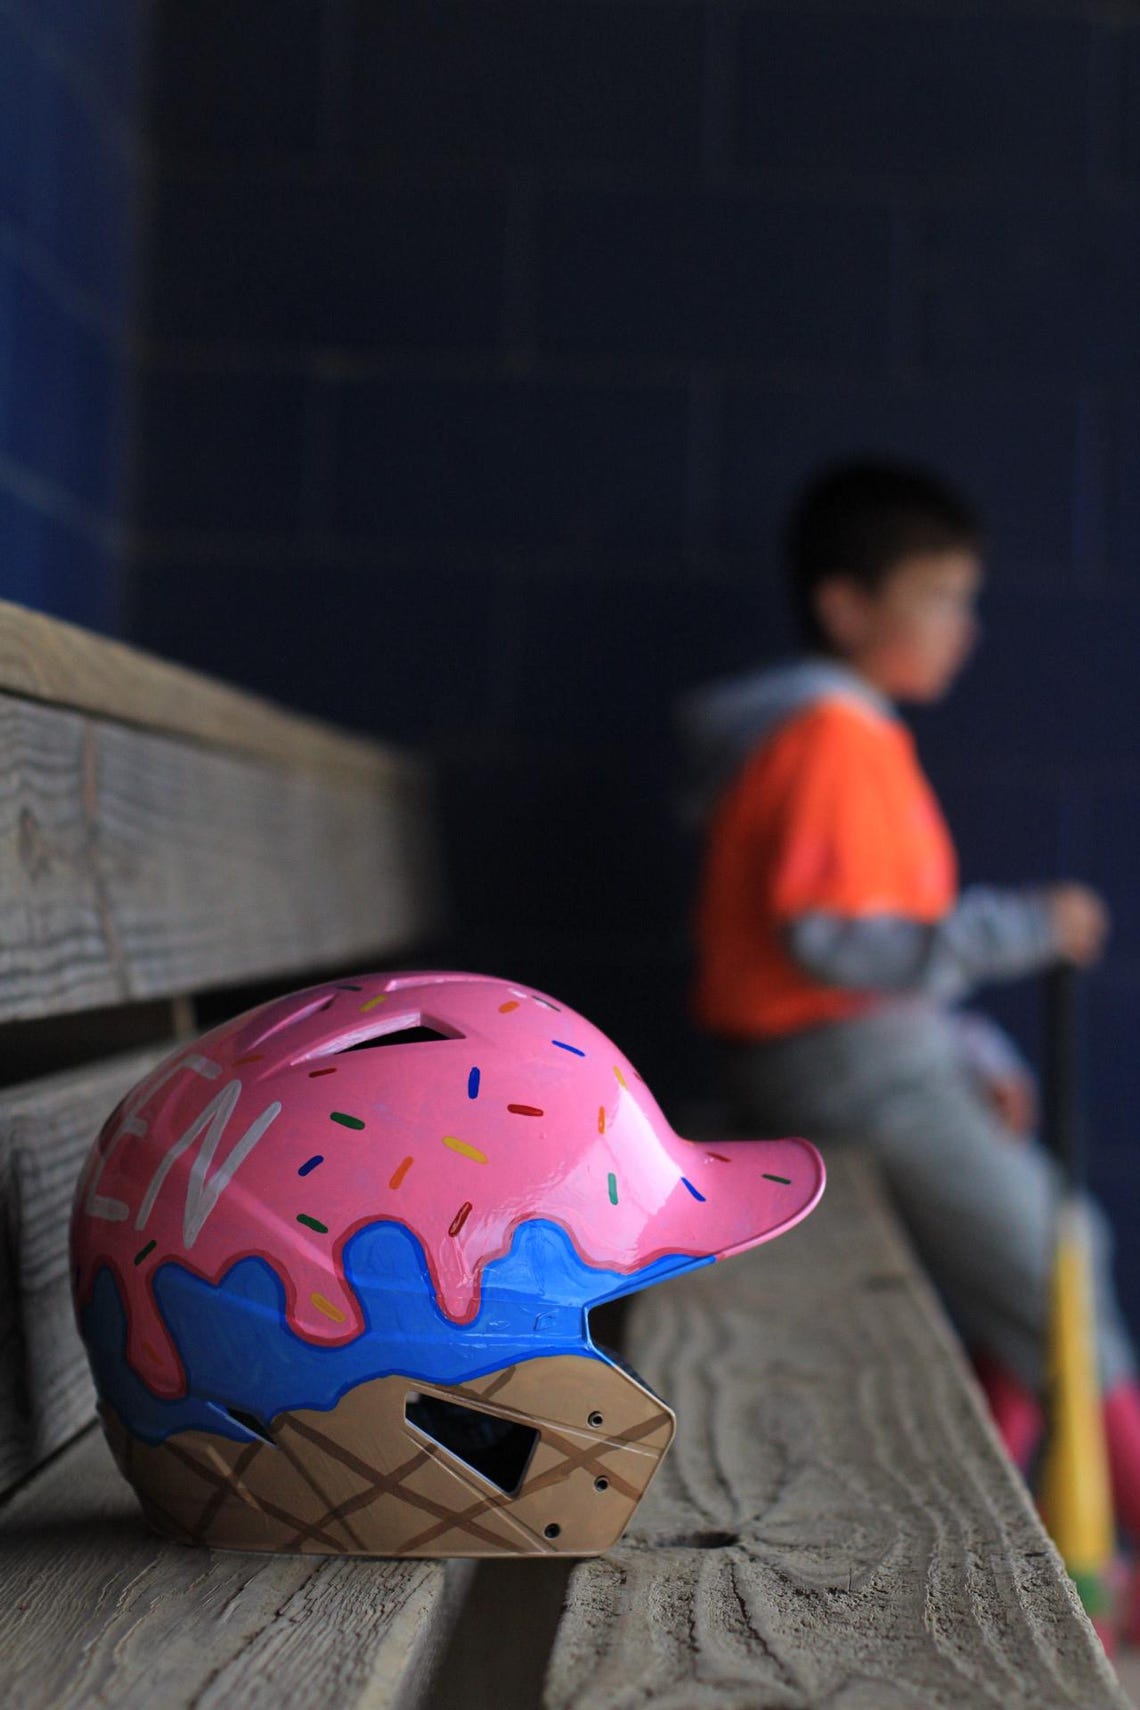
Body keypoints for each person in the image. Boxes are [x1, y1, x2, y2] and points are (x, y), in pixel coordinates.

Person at [678, 458, 1140, 1532]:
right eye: (936, 597)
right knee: (1056, 1268)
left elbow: (880, 947)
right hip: (846, 1075)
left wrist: (972, 1052)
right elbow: (836, 944)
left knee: (1063, 1238)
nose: (961, 627)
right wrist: (1027, 926)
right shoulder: (829, 736)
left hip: (878, 1061)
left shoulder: (855, 731)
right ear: (847, 607)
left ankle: (985, 1504)